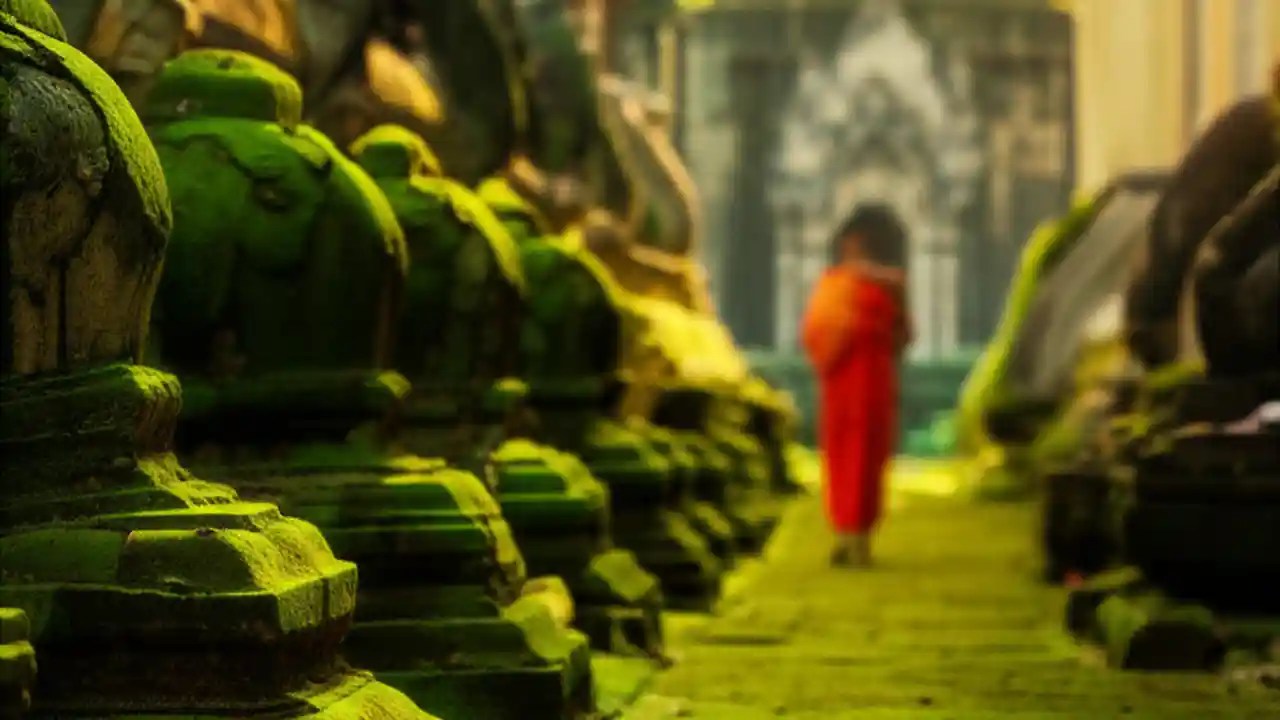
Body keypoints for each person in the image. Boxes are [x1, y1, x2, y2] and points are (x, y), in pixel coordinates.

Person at [802, 204, 912, 567]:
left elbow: (903, 334)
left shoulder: (882, 285)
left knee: (867, 456)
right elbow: (818, 332)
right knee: (843, 455)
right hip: (846, 381)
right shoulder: (842, 284)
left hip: (870, 377)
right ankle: (847, 533)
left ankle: (858, 535)